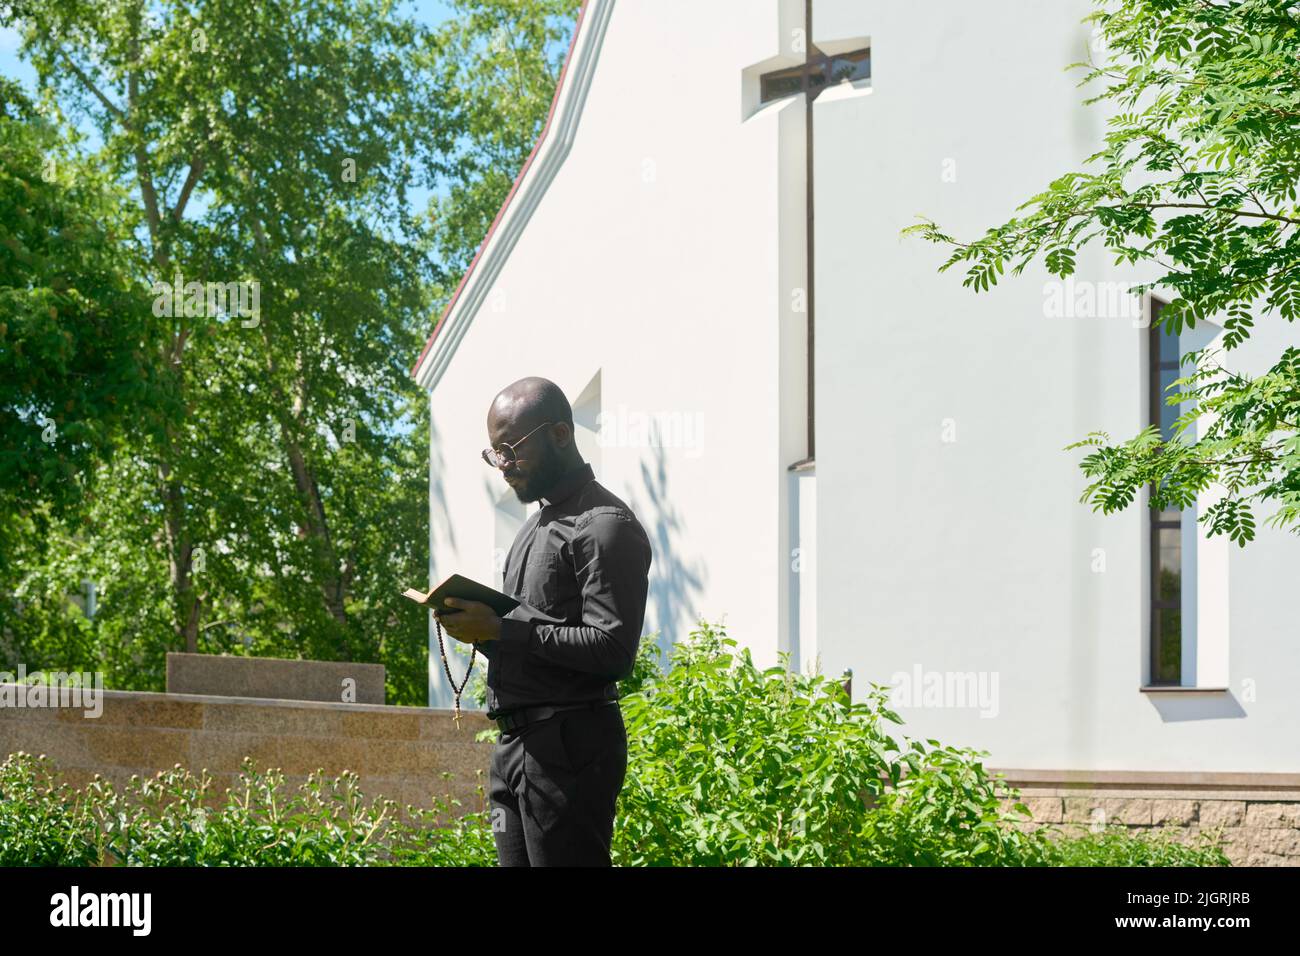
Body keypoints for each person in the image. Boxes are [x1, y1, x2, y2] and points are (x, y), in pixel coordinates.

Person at [435, 376, 652, 866]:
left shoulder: (604, 525)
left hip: (569, 745)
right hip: (515, 745)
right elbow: (532, 638)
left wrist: (499, 629)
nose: (503, 466)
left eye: (511, 448)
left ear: (559, 434)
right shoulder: (533, 528)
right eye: (494, 453)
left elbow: (612, 650)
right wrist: (478, 628)